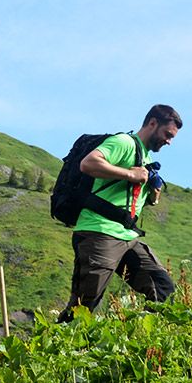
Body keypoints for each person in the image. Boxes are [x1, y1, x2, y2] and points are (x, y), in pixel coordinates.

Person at [59, 104, 180, 322]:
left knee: (163, 288)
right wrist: (130, 175)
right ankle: (56, 348)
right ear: (153, 123)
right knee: (82, 308)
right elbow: (88, 163)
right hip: (99, 233)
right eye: (167, 134)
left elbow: (135, 196)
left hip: (128, 237)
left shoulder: (147, 159)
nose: (169, 141)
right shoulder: (124, 142)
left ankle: (141, 339)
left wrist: (153, 193)